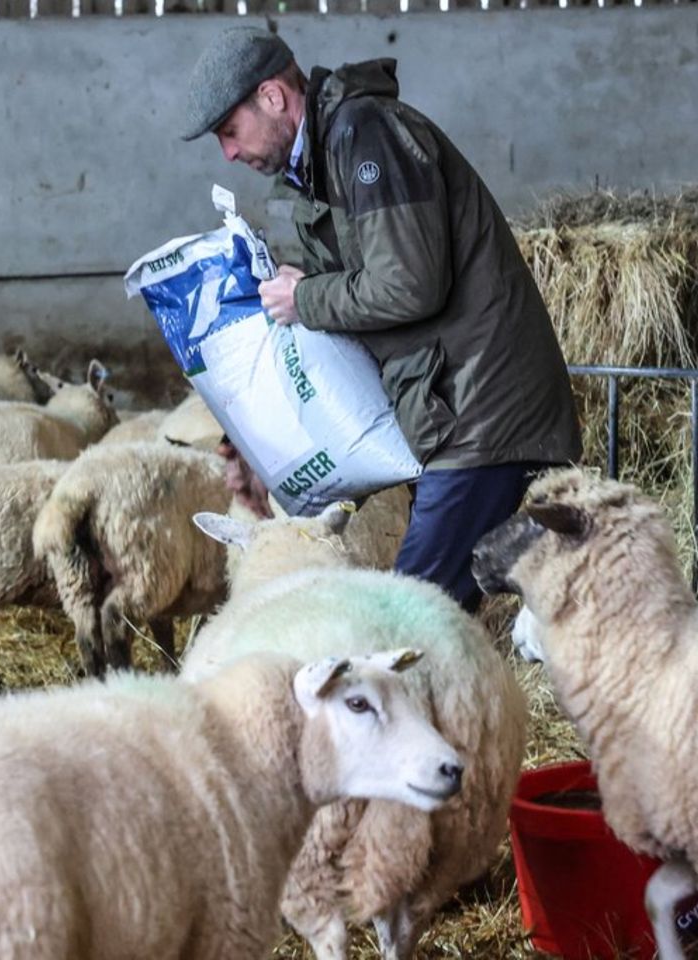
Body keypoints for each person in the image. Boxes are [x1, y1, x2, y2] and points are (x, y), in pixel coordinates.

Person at [181, 26, 582, 612]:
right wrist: (252, 446)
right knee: (433, 615)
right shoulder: (321, 164)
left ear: (271, 97)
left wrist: (306, 297)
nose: (229, 154)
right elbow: (347, 316)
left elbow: (410, 283)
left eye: (229, 131)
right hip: (449, 411)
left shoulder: (366, 136)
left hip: (482, 415)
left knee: (405, 617)